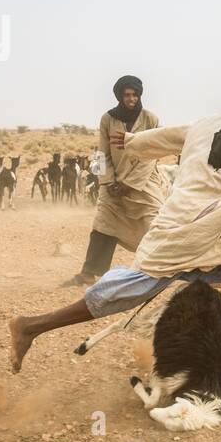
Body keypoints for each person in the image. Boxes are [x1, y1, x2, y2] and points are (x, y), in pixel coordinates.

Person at [8, 78, 221, 371]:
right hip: (188, 235)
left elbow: (171, 136)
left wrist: (134, 142)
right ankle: (30, 326)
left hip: (205, 227)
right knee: (131, 288)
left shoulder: (220, 121)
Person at [66, 75, 169, 286]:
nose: (131, 99)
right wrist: (107, 181)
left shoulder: (151, 119)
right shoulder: (108, 119)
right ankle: (88, 272)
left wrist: (128, 184)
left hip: (144, 184)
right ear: (120, 97)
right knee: (103, 225)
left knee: (155, 225)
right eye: (127, 95)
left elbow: (151, 155)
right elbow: (101, 153)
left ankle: (162, 272)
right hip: (112, 185)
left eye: (134, 94)